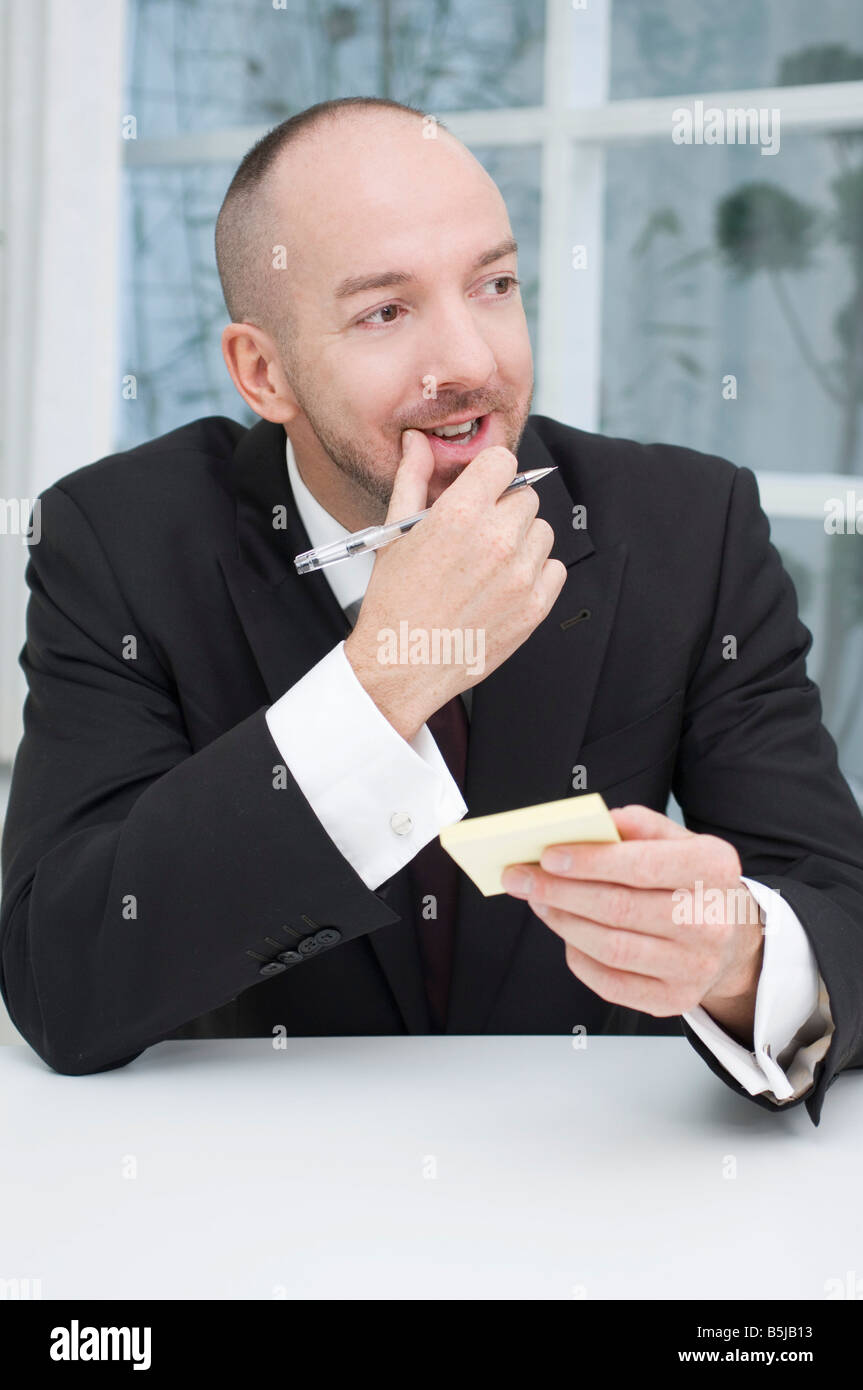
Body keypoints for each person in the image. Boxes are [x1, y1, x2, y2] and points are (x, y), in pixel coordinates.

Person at [1, 97, 861, 1128]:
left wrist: (737, 954)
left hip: (602, 1187)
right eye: (385, 312)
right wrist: (381, 683)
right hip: (248, 1201)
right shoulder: (119, 542)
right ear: (261, 372)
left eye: (493, 284)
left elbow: (837, 910)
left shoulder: (689, 524)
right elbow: (64, 979)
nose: (470, 362)